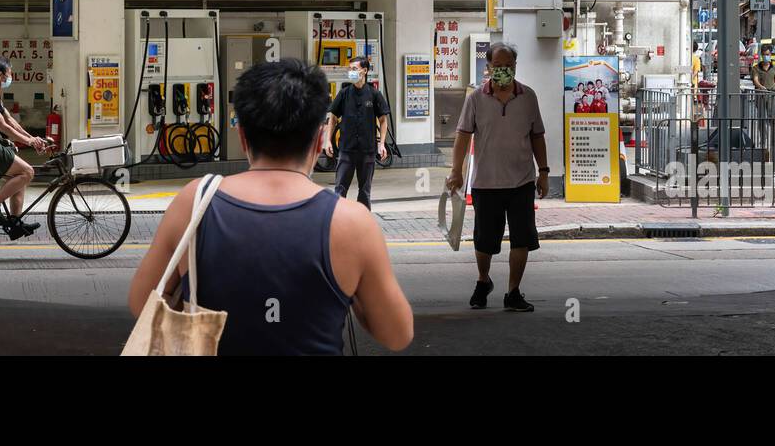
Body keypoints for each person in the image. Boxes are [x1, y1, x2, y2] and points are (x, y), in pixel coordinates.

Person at [129, 59, 413, 355]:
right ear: (318, 140)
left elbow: (142, 302)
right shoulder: (352, 223)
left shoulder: (194, 203)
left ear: (242, 137)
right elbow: (397, 334)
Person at [446, 43, 549, 313]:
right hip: (485, 182)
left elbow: (537, 135)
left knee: (522, 238)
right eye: (498, 66)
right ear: (488, 67)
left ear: (515, 67)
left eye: (509, 66)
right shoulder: (476, 99)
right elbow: (462, 135)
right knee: (484, 241)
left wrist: (544, 172)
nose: (504, 71)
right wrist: (456, 171)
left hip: (522, 182)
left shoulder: (528, 97)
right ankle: (483, 280)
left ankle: (513, 292)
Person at [0, 57, 49, 239]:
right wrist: (28, 142)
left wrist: (32, 138)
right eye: (9, 74)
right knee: (28, 172)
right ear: (0, 75)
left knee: (20, 177)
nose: (10, 77)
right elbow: (3, 127)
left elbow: (11, 121)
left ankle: (15, 223)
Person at [322, 55, 389, 210]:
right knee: (339, 190)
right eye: (349, 69)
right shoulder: (344, 94)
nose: (351, 72)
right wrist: (328, 141)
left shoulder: (374, 95)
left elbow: (383, 120)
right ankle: (337, 220)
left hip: (367, 151)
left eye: (354, 69)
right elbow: (332, 118)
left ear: (364, 71)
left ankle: (363, 222)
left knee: (364, 192)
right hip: (346, 150)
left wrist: (382, 144)